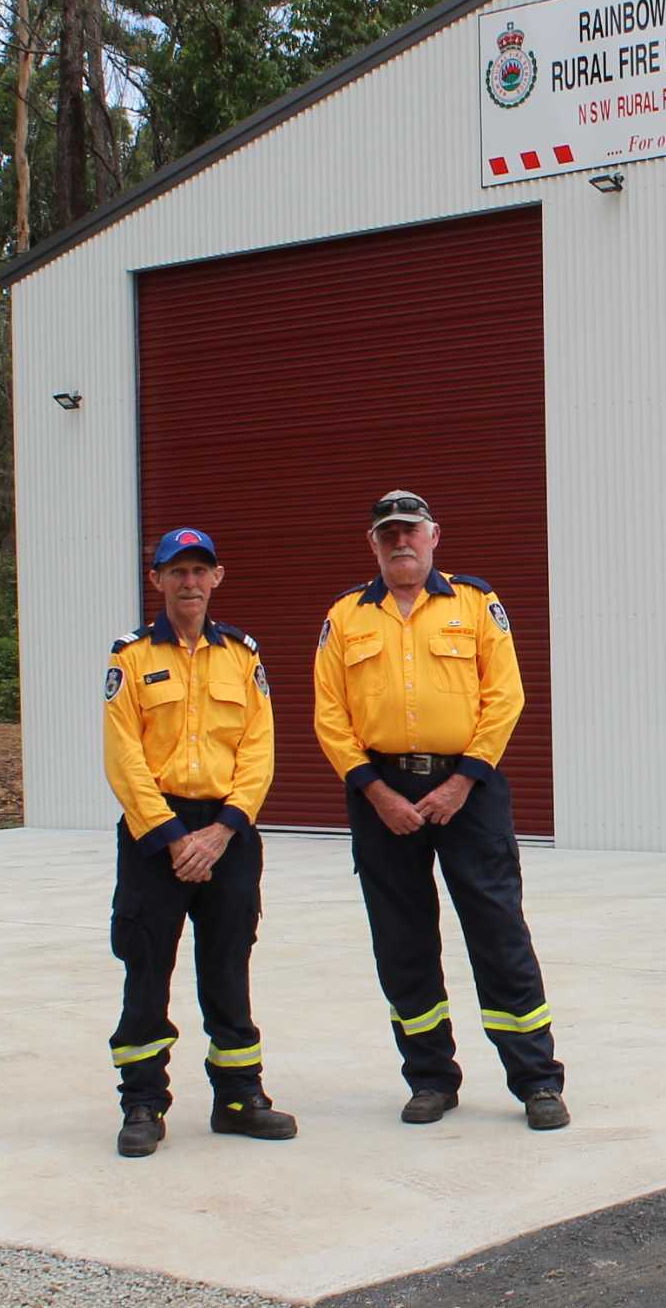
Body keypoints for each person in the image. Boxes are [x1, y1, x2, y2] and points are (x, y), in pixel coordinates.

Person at [311, 488, 569, 1130]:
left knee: (498, 931)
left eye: (411, 530)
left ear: (434, 537)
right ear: (373, 544)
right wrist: (376, 792)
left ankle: (537, 1080)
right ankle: (429, 1078)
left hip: (469, 791)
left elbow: (505, 696)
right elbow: (330, 714)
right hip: (382, 796)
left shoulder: (476, 604)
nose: (400, 541)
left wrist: (462, 783)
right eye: (388, 533)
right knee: (402, 940)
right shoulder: (345, 616)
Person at [101, 524, 298, 1157]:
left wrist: (223, 829)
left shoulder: (242, 656)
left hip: (227, 832)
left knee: (228, 965)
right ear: (156, 580)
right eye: (176, 571)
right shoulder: (131, 658)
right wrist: (171, 837)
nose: (189, 582)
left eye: (199, 570)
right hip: (154, 836)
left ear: (217, 578)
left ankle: (239, 1098)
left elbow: (259, 749)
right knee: (146, 967)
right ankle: (142, 1103)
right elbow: (124, 756)